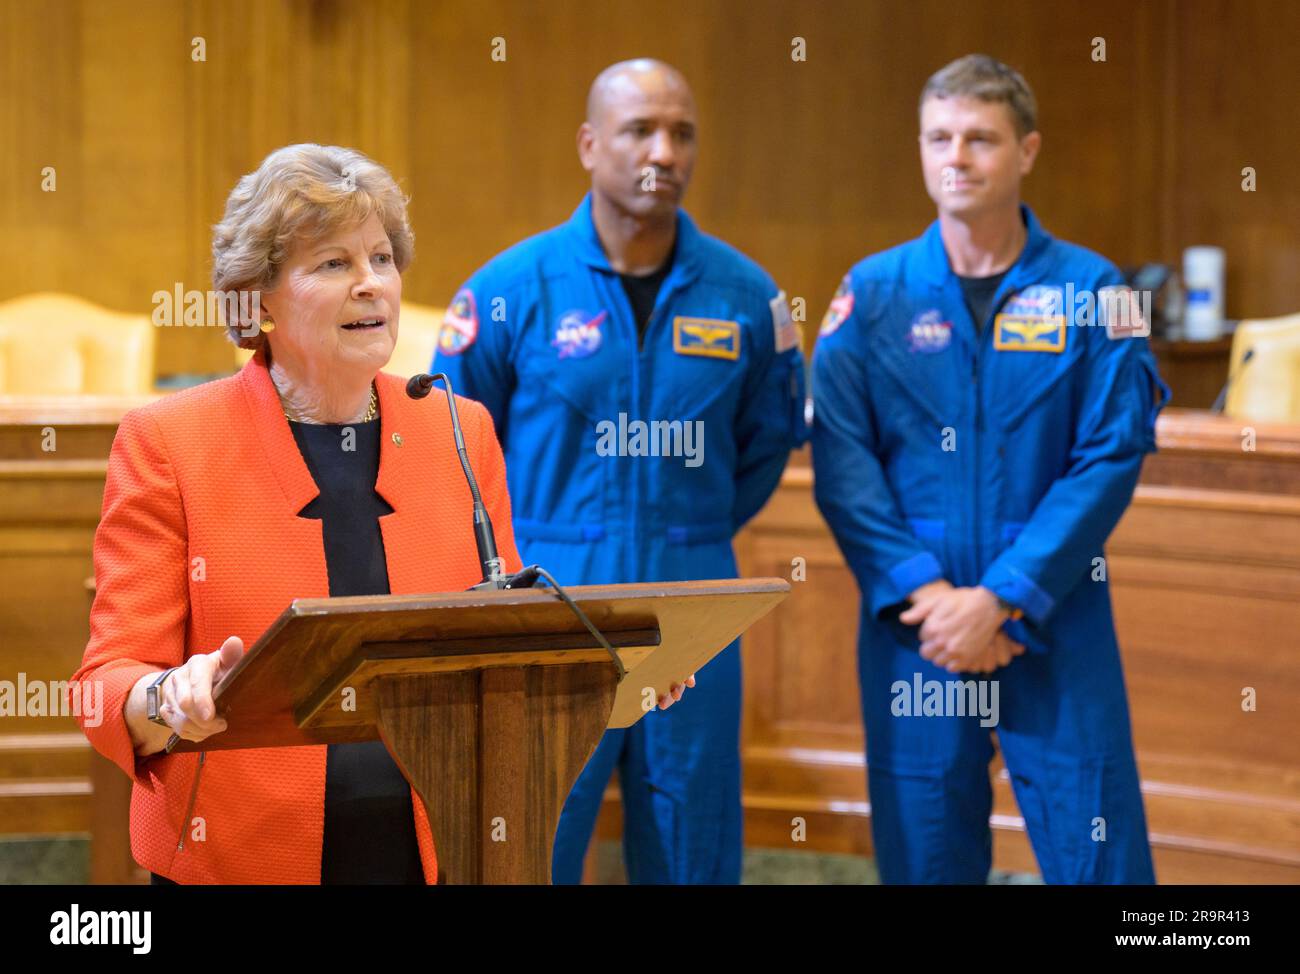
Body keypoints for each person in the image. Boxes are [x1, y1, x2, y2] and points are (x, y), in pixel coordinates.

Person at [72, 143, 689, 885]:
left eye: (381, 259)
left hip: (440, 844)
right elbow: (107, 679)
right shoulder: (171, 442)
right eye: (333, 264)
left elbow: (501, 639)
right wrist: (166, 696)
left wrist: (610, 670)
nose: (371, 285)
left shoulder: (458, 431)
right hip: (239, 854)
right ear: (257, 300)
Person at [433, 59, 808, 884]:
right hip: (550, 594)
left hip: (695, 596)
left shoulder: (749, 298)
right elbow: (455, 446)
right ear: (590, 142)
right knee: (533, 837)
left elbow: (766, 442)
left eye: (682, 133)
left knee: (692, 843)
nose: (664, 151)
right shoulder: (509, 291)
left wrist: (686, 525)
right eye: (641, 129)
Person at [811, 55, 1169, 884]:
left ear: (1028, 151)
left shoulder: (1099, 290)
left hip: (1054, 616)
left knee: (1099, 853)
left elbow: (1111, 454)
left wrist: (1006, 595)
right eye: (939, 138)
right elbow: (841, 457)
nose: (956, 158)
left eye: (981, 139)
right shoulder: (871, 293)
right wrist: (929, 597)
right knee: (925, 850)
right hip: (918, 627)